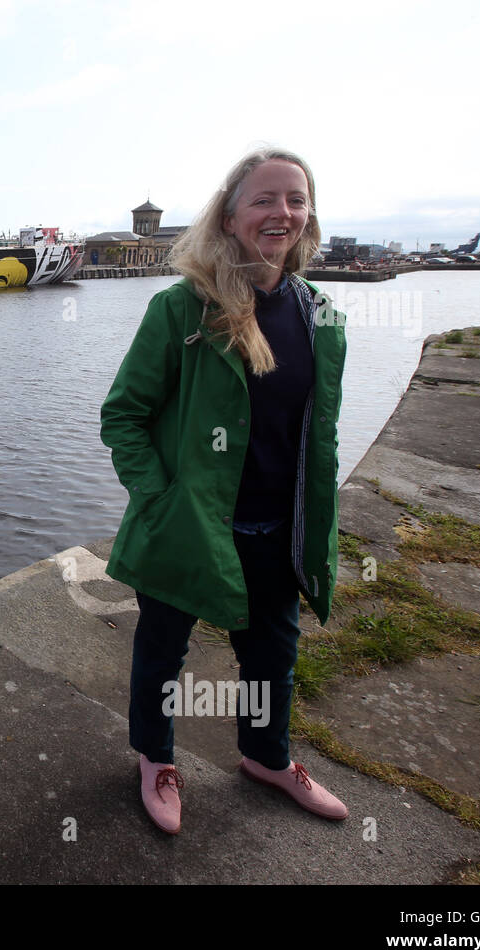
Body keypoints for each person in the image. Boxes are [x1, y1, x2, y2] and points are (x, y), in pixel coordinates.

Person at [99, 148, 348, 835]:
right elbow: (123, 414)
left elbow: (316, 436)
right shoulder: (183, 308)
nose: (283, 212)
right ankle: (156, 759)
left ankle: (267, 758)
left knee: (274, 656)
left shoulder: (321, 317)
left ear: (309, 214)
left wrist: (318, 522)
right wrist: (160, 498)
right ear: (232, 215)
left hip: (278, 529)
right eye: (265, 199)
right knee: (162, 653)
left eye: (296, 199)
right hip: (193, 526)